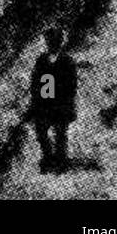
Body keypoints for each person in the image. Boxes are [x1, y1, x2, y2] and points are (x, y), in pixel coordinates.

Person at [29, 26, 77, 173]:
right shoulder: (42, 60)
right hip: (44, 104)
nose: (52, 44)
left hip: (60, 104)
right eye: (49, 41)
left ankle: (60, 161)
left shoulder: (67, 61)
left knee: (60, 133)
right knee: (41, 131)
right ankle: (48, 157)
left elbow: (71, 85)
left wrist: (64, 100)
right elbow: (35, 82)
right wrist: (36, 99)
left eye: (55, 41)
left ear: (60, 42)